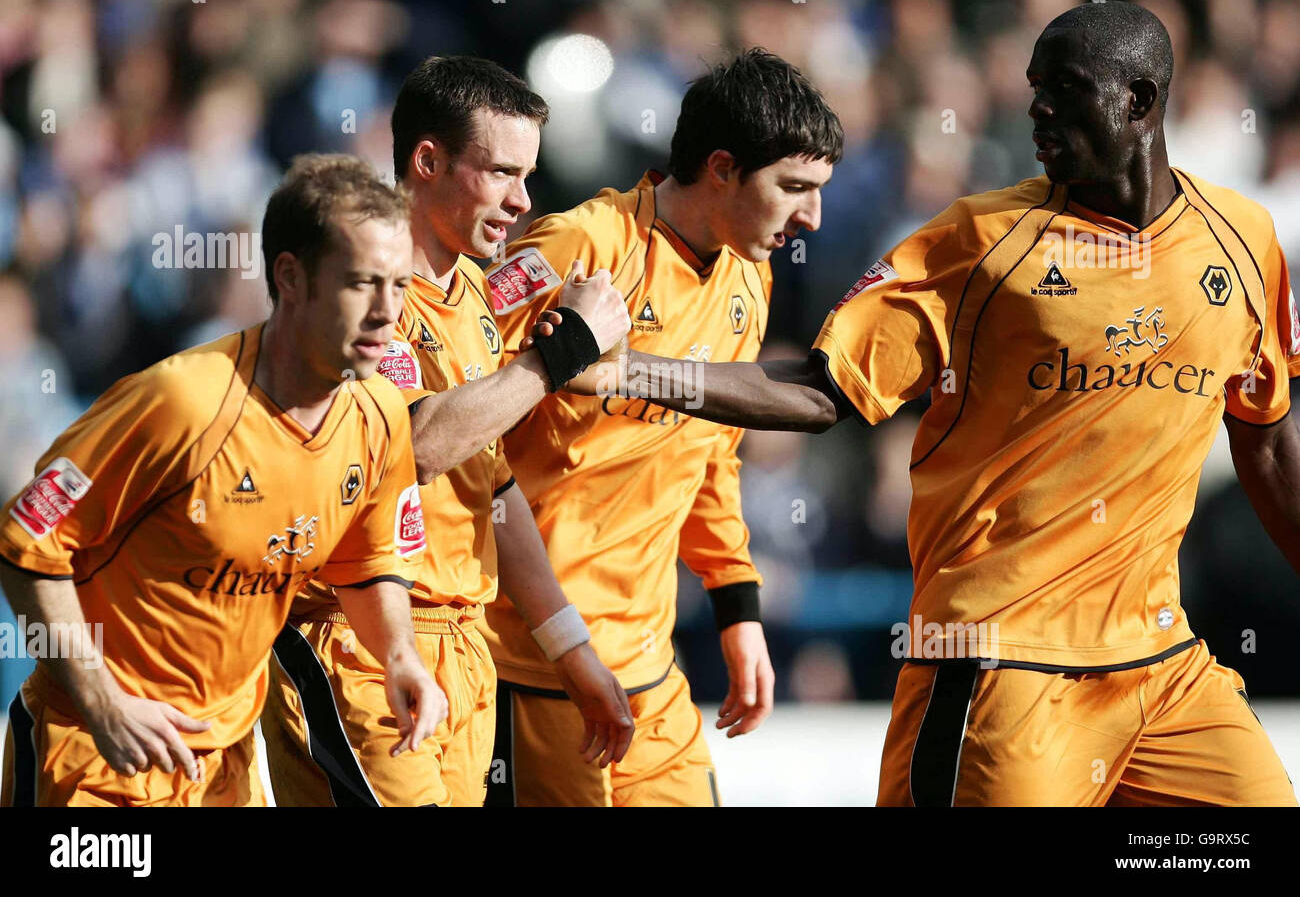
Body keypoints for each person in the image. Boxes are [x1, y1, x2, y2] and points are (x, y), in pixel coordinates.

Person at [544, 2, 1300, 806]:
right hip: (999, 666)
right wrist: (630, 371)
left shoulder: (1245, 241)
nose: (1038, 109)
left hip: (1161, 664)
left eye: (1066, 90)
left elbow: (1266, 439)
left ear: (1141, 102)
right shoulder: (975, 244)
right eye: (1034, 88)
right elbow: (820, 388)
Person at [0, 154, 445, 806]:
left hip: (226, 763)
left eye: (401, 285)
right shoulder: (181, 402)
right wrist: (102, 699)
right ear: (290, 278)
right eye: (361, 284)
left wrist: (400, 655)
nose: (388, 312)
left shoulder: (378, 411)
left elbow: (368, 561)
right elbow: (25, 539)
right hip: (100, 754)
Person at [260, 56, 635, 807]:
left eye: (528, 177)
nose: (520, 202)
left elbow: (487, 482)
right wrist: (558, 358)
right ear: (427, 160)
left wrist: (572, 650)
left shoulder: (470, 293)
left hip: (466, 647)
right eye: (500, 173)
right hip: (359, 638)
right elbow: (414, 448)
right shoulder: (357, 283)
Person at [481, 48, 843, 806]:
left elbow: (709, 453)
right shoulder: (578, 248)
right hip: (532, 665)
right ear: (721, 167)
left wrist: (736, 605)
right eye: (795, 188)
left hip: (651, 661)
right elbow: (460, 431)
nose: (811, 217)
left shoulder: (751, 273)